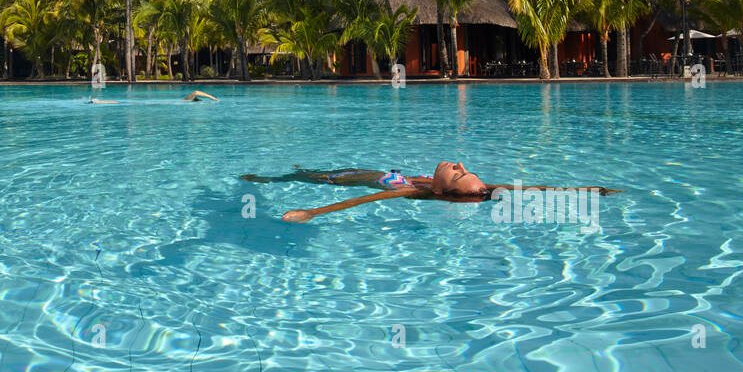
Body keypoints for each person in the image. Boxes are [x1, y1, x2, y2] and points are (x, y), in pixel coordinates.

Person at [242, 162, 621, 223]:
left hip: (359, 179)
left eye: (457, 174)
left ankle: (273, 180)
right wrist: (589, 189)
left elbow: (364, 200)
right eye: (464, 168)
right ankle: (289, 175)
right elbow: (537, 188)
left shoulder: (412, 194)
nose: (457, 164)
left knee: (314, 176)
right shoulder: (483, 190)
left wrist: (313, 213)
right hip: (389, 172)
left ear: (441, 192)